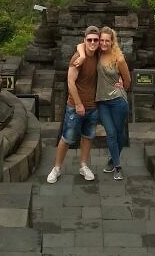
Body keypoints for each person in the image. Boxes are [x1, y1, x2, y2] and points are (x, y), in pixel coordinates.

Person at [46, 26, 101, 183]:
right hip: (75, 106)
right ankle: (56, 168)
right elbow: (70, 82)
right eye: (89, 40)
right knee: (67, 138)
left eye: (95, 40)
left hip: (93, 106)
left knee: (88, 136)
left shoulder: (98, 55)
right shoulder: (77, 57)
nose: (92, 42)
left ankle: (83, 165)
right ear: (84, 40)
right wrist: (78, 104)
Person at [93, 26, 131, 179]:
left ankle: (112, 160)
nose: (103, 43)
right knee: (111, 133)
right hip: (102, 101)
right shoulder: (97, 54)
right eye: (101, 40)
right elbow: (82, 46)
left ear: (112, 41)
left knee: (120, 133)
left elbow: (128, 80)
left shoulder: (118, 58)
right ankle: (118, 167)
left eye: (106, 41)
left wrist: (121, 87)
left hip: (118, 101)